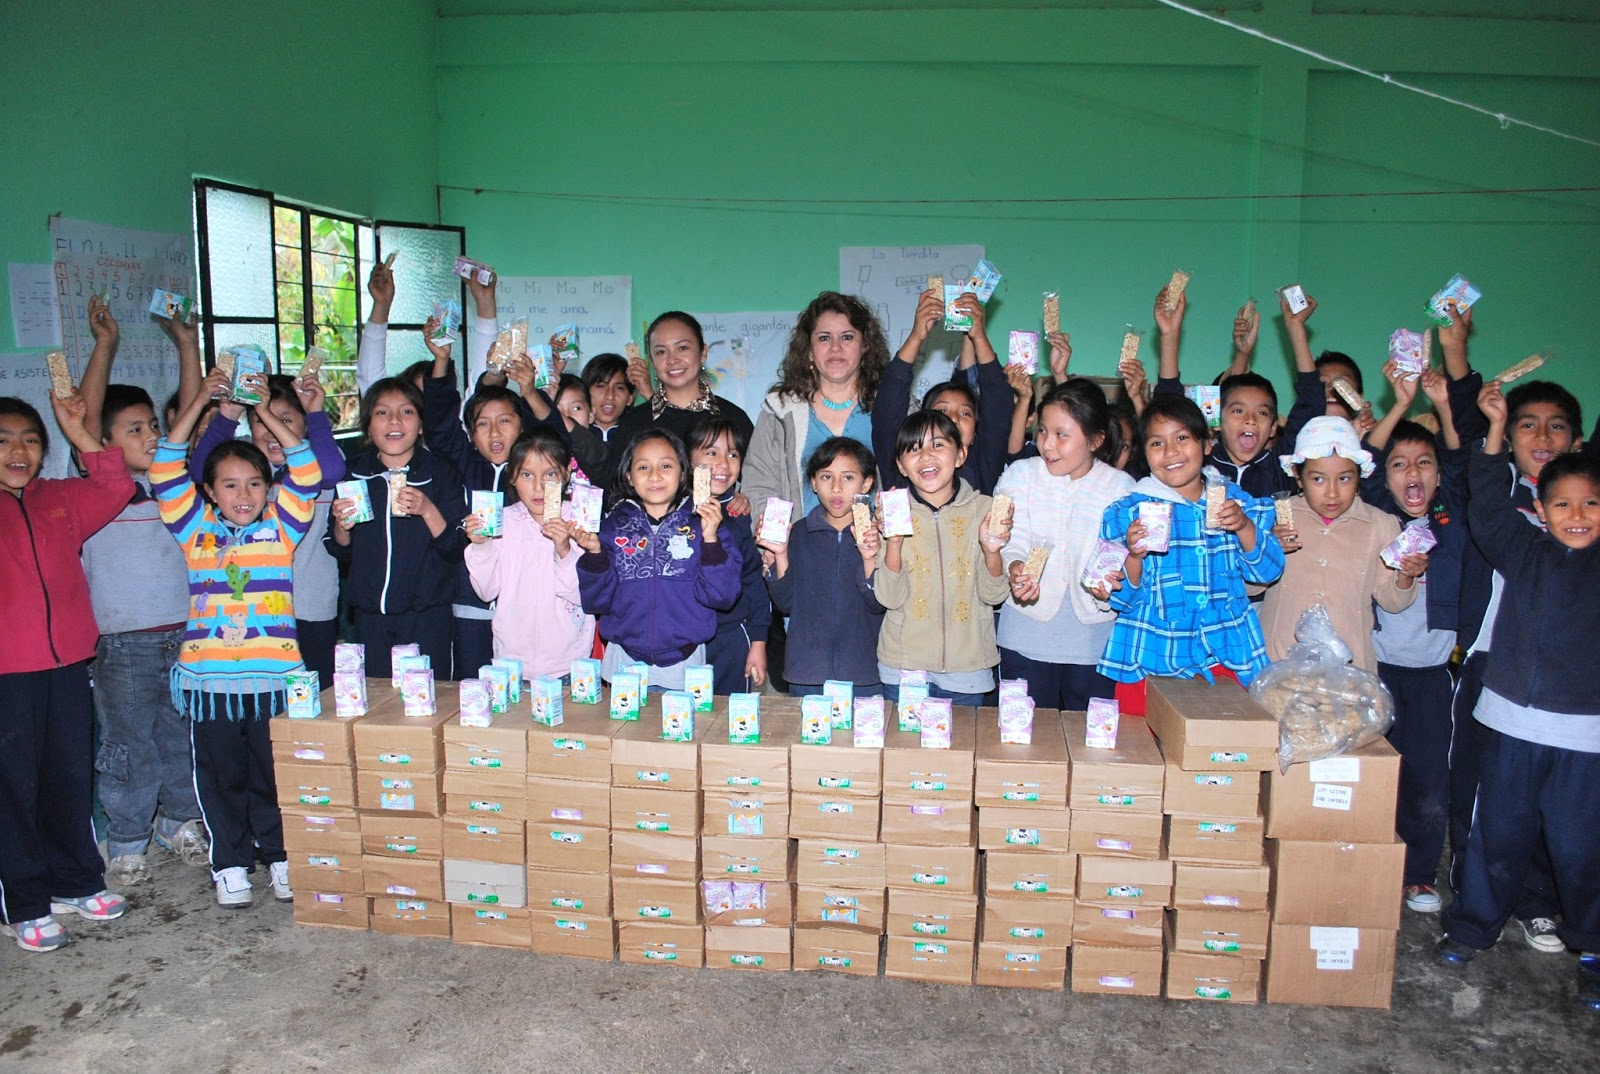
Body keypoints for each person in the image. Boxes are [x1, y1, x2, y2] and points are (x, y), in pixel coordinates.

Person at [1438, 381, 1600, 1013]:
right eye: (1563, 505)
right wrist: (1495, 430)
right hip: (1509, 725)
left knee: (1581, 849)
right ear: (1542, 506)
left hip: (1584, 738)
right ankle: (1470, 928)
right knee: (1494, 838)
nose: (1578, 515)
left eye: (1591, 504)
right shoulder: (1521, 551)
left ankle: (1590, 946)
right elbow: (1484, 503)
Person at [152, 363, 323, 908]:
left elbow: (308, 470)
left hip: (273, 684)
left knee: (272, 779)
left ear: (268, 489)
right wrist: (204, 400)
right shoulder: (194, 530)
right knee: (221, 780)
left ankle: (279, 856)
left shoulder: (282, 528)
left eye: (254, 483)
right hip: (211, 689)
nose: (243, 494)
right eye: (229, 484)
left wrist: (262, 408)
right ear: (209, 491)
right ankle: (229, 863)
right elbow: (163, 469)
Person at [1440, 306, 1577, 951]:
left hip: (1568, 683)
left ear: (1577, 443)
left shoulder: (1584, 518)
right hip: (1489, 663)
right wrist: (1481, 407)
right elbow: (1474, 469)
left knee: (1561, 811)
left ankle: (1539, 902)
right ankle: (1477, 899)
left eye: (1556, 427)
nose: (1541, 435)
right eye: (1526, 425)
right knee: (1483, 797)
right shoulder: (1499, 503)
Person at [77, 299, 210, 884]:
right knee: (128, 743)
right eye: (135, 429)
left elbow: (191, 419)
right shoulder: (96, 495)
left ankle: (180, 819)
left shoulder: (172, 488)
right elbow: (80, 417)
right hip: (123, 646)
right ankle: (128, 834)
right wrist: (104, 346)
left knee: (180, 733)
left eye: (153, 425)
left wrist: (187, 345)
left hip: (183, 634)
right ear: (104, 444)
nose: (152, 435)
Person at [0, 391, 133, 952]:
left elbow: (115, 484)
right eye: (3, 440)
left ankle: (77, 881)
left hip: (66, 665)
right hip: (8, 675)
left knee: (69, 777)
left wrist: (78, 429)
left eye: (31, 439)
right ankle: (24, 902)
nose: (19, 450)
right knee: (13, 790)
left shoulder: (57, 499)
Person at [1096, 395, 1285, 713]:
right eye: (1157, 443)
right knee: (1144, 755)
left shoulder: (1236, 503)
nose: (1170, 452)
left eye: (1182, 438)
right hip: (1150, 658)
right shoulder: (1124, 513)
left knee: (1222, 754)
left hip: (1227, 656)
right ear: (1145, 453)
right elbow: (1118, 600)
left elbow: (1268, 572)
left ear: (1207, 444)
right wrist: (1133, 556)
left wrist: (1243, 527)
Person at [1363, 361, 1468, 913]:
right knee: (1370, 776)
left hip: (1431, 677)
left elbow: (1468, 462)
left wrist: (1446, 408)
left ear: (1439, 474)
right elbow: (1360, 468)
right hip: (1372, 669)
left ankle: (1419, 874)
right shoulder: (1376, 519)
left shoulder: (1456, 523)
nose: (1413, 473)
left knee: (1428, 783)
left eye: (1424, 464)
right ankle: (1366, 864)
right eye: (1400, 464)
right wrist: (1400, 404)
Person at [187, 372, 346, 682]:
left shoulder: (318, 456)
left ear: (305, 425)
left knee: (312, 700)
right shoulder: (244, 462)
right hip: (252, 611)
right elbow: (198, 472)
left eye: (286, 420)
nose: (273, 431)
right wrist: (229, 414)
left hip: (310, 604)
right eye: (261, 421)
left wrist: (314, 413)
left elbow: (331, 473)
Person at [996, 380, 1134, 711]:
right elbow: (1007, 539)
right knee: (1024, 743)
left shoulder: (1120, 488)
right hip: (1024, 637)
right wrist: (1015, 568)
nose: (1047, 445)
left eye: (1062, 434)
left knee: (1090, 743)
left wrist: (1113, 583)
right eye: (1042, 431)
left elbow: (1122, 554)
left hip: (1094, 642)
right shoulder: (1021, 475)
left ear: (1095, 440)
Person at [574, 429, 742, 691]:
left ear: (684, 472)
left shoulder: (708, 526)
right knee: (624, 732)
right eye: (643, 467)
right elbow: (596, 601)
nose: (655, 475)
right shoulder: (611, 528)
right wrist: (595, 555)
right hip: (624, 662)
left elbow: (723, 597)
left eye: (666, 465)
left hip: (684, 665)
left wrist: (710, 540)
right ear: (629, 476)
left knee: (680, 730)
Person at [1258, 415, 1423, 671]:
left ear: (1359, 476)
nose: (1332, 492)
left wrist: (1406, 575)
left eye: (1344, 478)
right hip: (1279, 663)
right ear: (1298, 477)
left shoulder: (1380, 524)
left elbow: (1392, 602)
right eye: (1318, 479)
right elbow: (1248, 587)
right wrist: (1266, 551)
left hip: (1350, 669)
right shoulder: (1277, 515)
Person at [328, 377, 468, 679]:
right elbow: (341, 549)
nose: (394, 420)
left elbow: (457, 547)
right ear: (367, 426)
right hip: (370, 616)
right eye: (382, 413)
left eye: (406, 412)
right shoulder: (354, 474)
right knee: (377, 706)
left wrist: (427, 509)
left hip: (428, 615)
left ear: (420, 426)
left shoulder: (441, 473)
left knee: (430, 704)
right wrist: (343, 525)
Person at [874, 410, 1012, 705]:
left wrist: (991, 550)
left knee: (961, 752)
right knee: (904, 752)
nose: (925, 456)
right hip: (903, 667)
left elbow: (994, 595)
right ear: (900, 464)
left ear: (960, 454)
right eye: (913, 449)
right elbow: (888, 597)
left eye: (938, 445)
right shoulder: (892, 511)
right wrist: (894, 542)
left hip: (968, 669)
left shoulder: (986, 509)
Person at [1150, 286, 1324, 496]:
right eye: (1238, 410)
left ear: (1272, 428)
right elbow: (1168, 408)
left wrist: (1296, 328)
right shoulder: (1200, 464)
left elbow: (1312, 402)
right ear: (1216, 420)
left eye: (1262, 413)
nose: (1250, 420)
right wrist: (1169, 335)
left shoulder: (1281, 468)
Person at [744, 291, 889, 524]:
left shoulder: (893, 406)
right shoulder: (779, 412)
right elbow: (760, 486)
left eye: (847, 337)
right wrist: (775, 543)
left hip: (880, 556)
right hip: (800, 555)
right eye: (824, 338)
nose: (835, 347)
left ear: (865, 347)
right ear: (809, 351)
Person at [463, 428, 595, 680]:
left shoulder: (581, 522)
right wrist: (481, 546)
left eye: (550, 474)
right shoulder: (502, 522)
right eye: (526, 474)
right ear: (512, 476)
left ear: (567, 473)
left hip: (568, 667)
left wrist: (564, 551)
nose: (538, 487)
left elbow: (585, 596)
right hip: (510, 666)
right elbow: (486, 591)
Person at [761, 437, 885, 695]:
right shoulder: (798, 534)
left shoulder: (879, 536)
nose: (837, 488)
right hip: (807, 672)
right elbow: (785, 604)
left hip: (863, 671)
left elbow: (878, 604)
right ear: (814, 483)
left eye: (848, 478)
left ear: (867, 483)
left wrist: (869, 558)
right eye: (827, 477)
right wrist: (780, 554)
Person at [874, 285, 1013, 495]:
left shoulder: (983, 468)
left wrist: (979, 336)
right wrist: (916, 336)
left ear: (975, 435)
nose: (954, 418)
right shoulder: (902, 473)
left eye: (966, 413)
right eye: (942, 411)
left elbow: (998, 404)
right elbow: (888, 406)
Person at [604, 313, 754, 484]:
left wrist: (743, 500)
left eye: (682, 348)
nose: (672, 360)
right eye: (661, 352)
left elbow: (758, 483)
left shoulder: (733, 417)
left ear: (703, 353)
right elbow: (614, 490)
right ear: (652, 361)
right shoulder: (634, 423)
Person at [686, 416, 771, 694]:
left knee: (727, 725)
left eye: (733, 454)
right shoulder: (671, 511)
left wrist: (758, 642)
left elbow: (754, 583)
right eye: (711, 452)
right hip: (679, 641)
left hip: (731, 638)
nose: (723, 463)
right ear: (687, 459)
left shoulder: (738, 515)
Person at [582, 353, 633, 444]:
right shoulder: (573, 435)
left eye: (619, 388)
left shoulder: (638, 436)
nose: (610, 396)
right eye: (601, 386)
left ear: (630, 398)